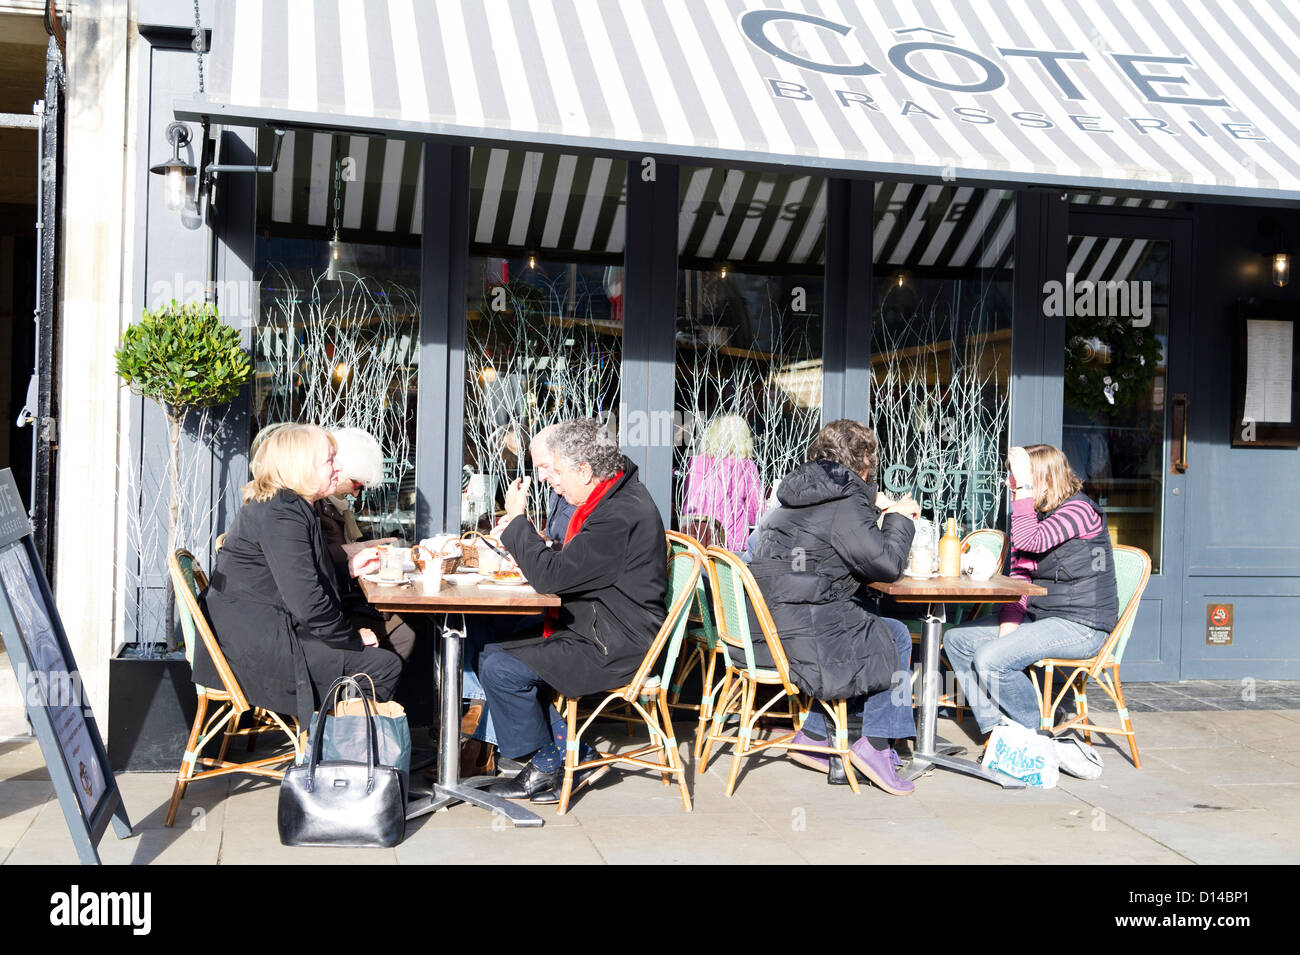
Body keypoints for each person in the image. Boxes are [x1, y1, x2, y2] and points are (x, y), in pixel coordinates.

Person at [477, 418, 668, 804]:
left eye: (557, 471)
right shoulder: (614, 496)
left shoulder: (617, 514)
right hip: (601, 627)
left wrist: (517, 522)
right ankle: (572, 753)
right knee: (491, 652)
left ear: (585, 469)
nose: (551, 480)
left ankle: (548, 761)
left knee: (502, 667)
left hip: (616, 644)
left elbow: (552, 577)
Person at [745, 419, 920, 795]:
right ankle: (876, 744)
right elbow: (887, 566)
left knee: (860, 618)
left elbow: (831, 547)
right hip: (804, 633)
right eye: (870, 462)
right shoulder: (844, 502)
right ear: (863, 462)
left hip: (769, 629)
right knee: (896, 634)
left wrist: (874, 509)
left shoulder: (796, 494)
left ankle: (812, 734)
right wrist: (899, 519)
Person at [195, 424, 403, 733]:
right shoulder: (282, 515)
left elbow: (297, 574)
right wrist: (350, 638)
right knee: (383, 665)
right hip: (255, 650)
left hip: (262, 632)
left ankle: (363, 741)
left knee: (397, 637)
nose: (340, 467)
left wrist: (348, 568)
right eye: (330, 460)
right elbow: (307, 602)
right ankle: (342, 755)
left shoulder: (287, 507)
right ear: (301, 468)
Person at [943, 444, 1118, 769]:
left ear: (1046, 480)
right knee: (958, 641)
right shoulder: (1033, 514)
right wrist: (1008, 628)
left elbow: (1030, 542)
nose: (1011, 483)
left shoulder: (1079, 511)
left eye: (1019, 477)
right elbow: (1020, 579)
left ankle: (1036, 736)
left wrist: (1022, 494)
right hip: (1042, 619)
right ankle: (998, 732)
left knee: (990, 659)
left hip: (1082, 625)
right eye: (1012, 476)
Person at [459, 423, 576, 775]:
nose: (541, 477)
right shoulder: (564, 497)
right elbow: (558, 549)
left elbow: (566, 568)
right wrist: (532, 539)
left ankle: (490, 734)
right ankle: (486, 727)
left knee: (490, 644)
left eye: (544, 467)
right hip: (557, 605)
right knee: (476, 626)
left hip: (569, 618)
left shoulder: (587, 505)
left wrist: (519, 522)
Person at [681, 414, 765, 550]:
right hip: (730, 548)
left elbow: (686, 502)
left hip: (693, 541)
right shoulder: (746, 466)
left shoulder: (694, 462)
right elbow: (755, 514)